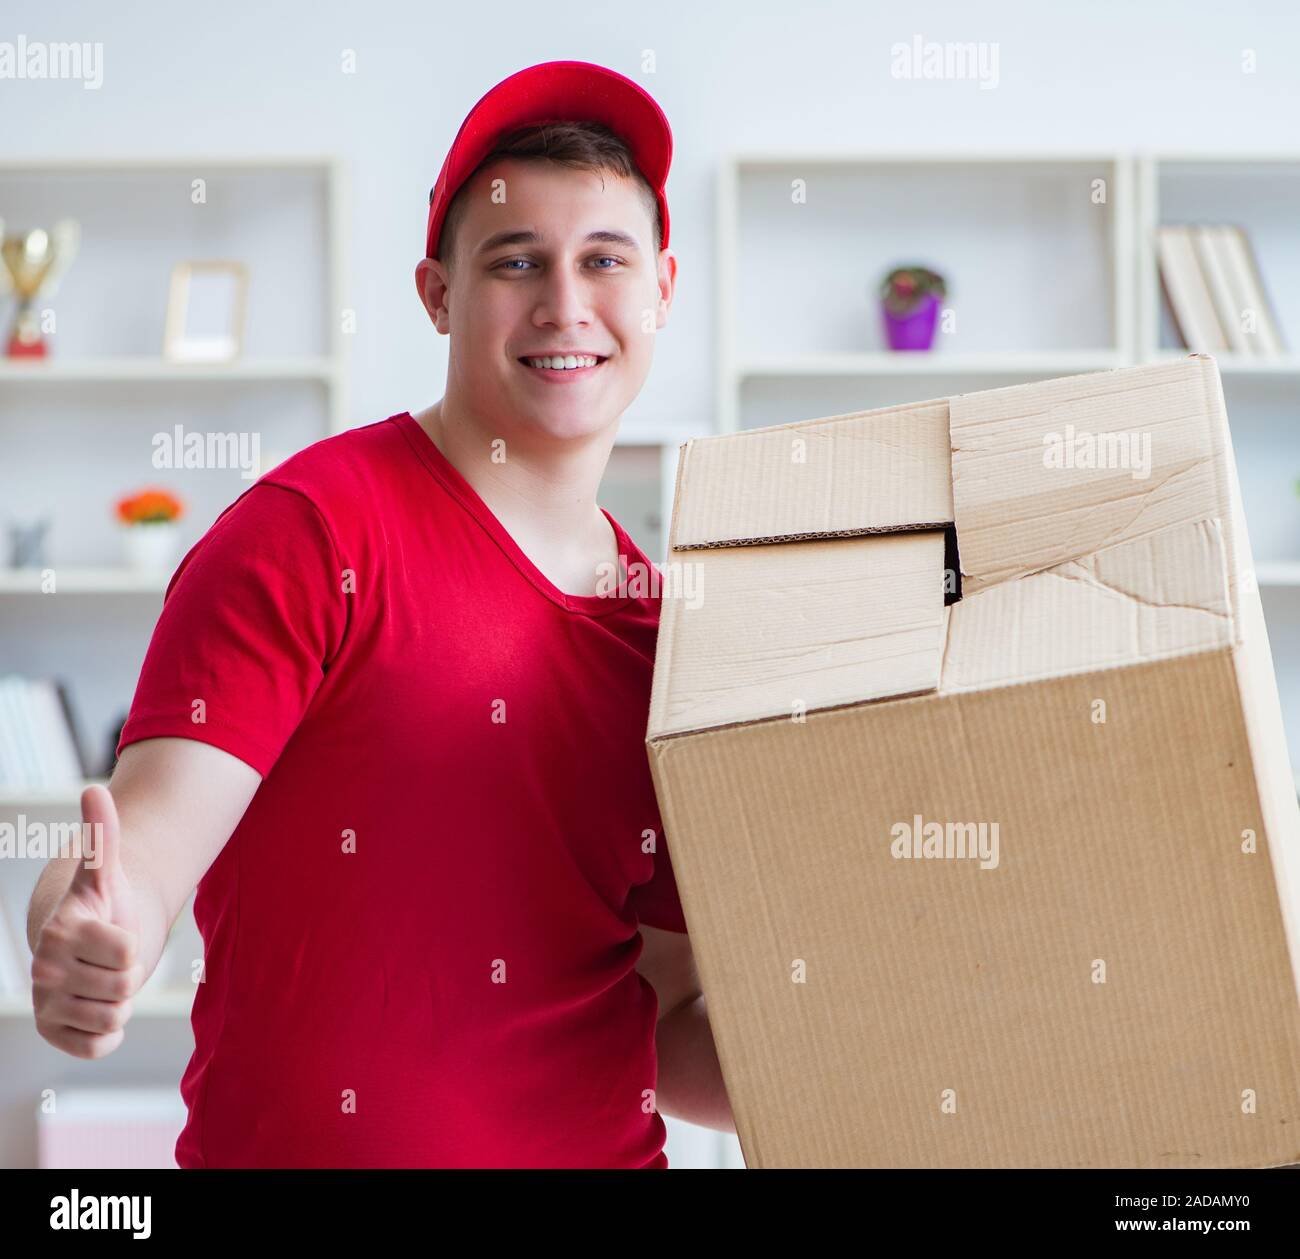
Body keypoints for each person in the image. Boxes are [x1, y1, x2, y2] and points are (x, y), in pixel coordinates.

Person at [26, 60, 734, 1168]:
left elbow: (661, 1016)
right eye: (516, 262)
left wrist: (879, 1048)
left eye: (604, 259)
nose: (564, 305)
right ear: (437, 292)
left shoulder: (671, 633)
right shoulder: (309, 533)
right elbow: (142, 845)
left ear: (661, 290)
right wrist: (92, 931)